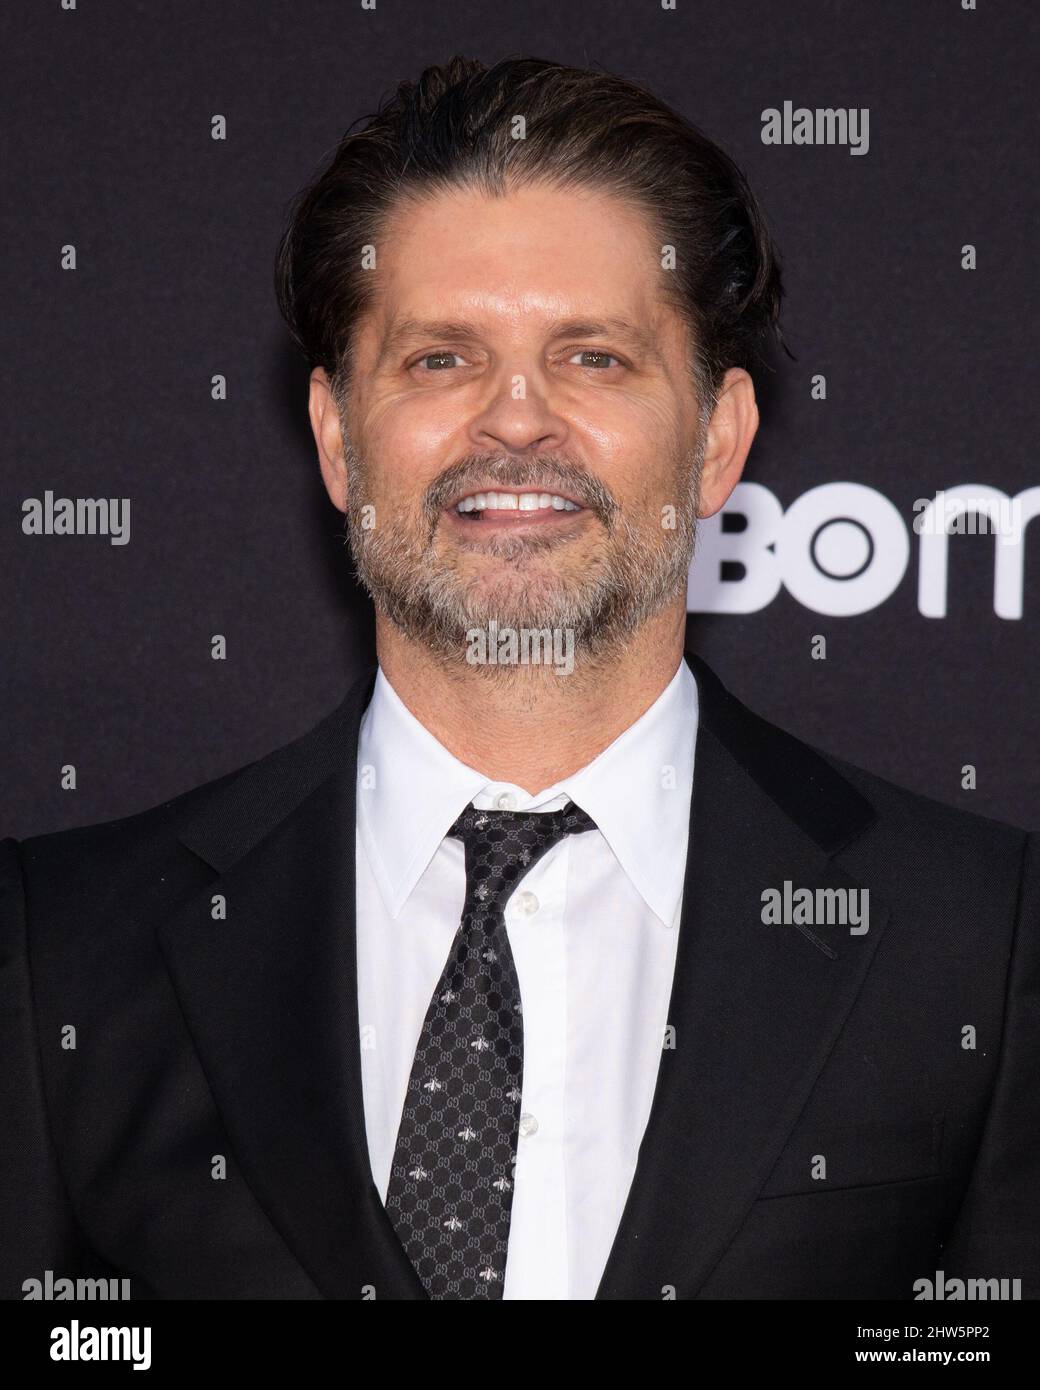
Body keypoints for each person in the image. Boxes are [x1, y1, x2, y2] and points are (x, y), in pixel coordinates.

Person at [2, 55, 1037, 1302]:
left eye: (592, 358)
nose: (514, 420)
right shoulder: (66, 946)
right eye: (440, 359)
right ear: (337, 438)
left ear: (716, 441)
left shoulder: (971, 940)